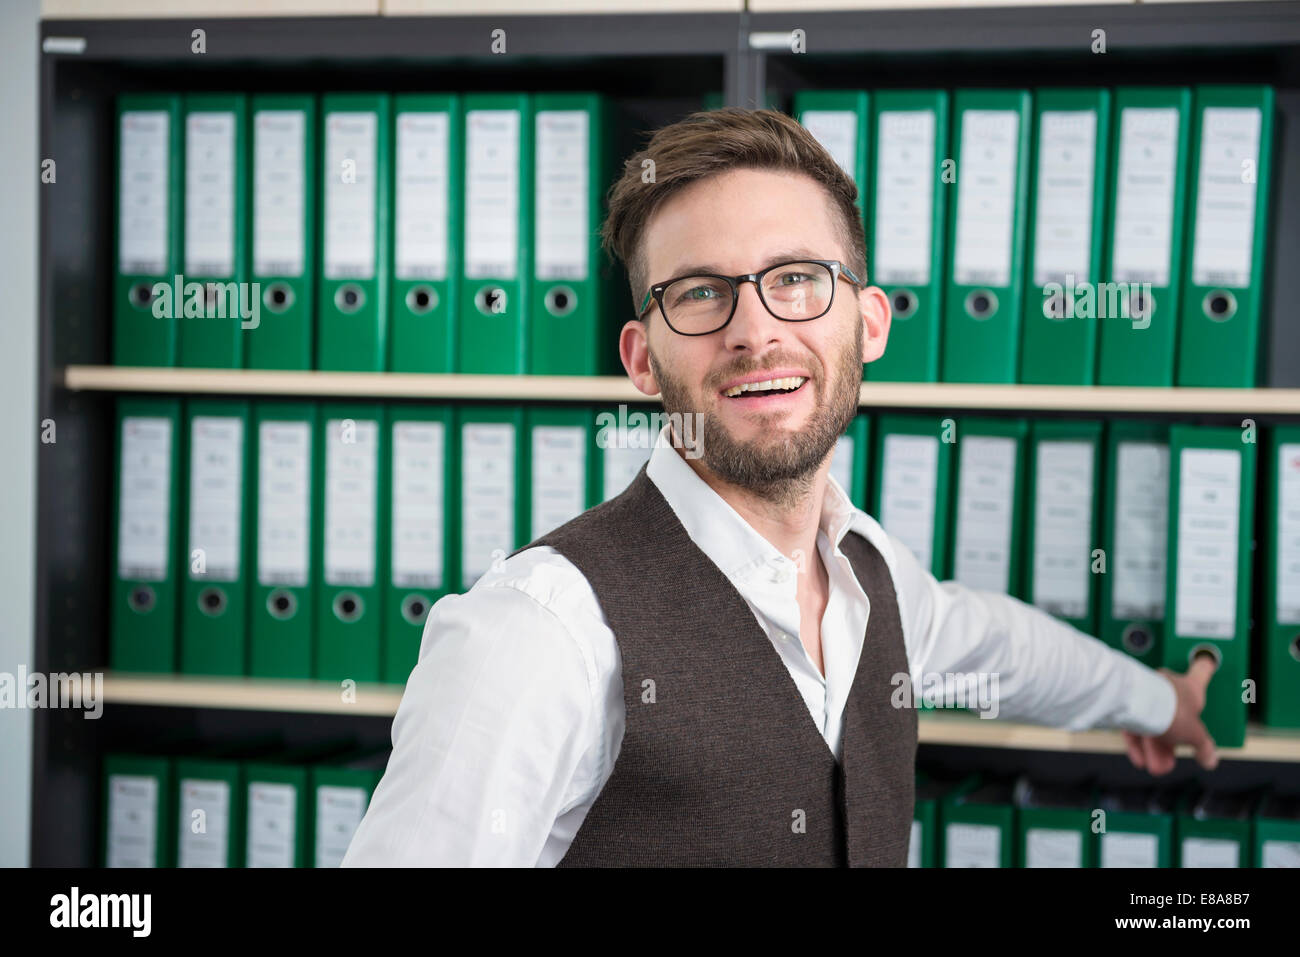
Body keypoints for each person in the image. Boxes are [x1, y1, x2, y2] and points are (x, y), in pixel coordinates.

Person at [342, 107, 1218, 867]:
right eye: (699, 293)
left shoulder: (872, 577)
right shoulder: (541, 627)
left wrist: (1161, 701)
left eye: (796, 279)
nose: (755, 331)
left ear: (868, 323)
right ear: (643, 359)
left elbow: (1008, 655)